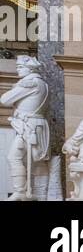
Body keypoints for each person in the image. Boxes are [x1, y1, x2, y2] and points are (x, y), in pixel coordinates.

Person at [2, 55, 50, 201]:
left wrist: (16, 87)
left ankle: (20, 191)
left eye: (20, 67)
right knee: (29, 161)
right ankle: (28, 192)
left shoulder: (30, 83)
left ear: (30, 69)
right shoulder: (42, 83)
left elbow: (4, 100)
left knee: (14, 157)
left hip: (28, 127)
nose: (18, 71)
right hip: (33, 125)